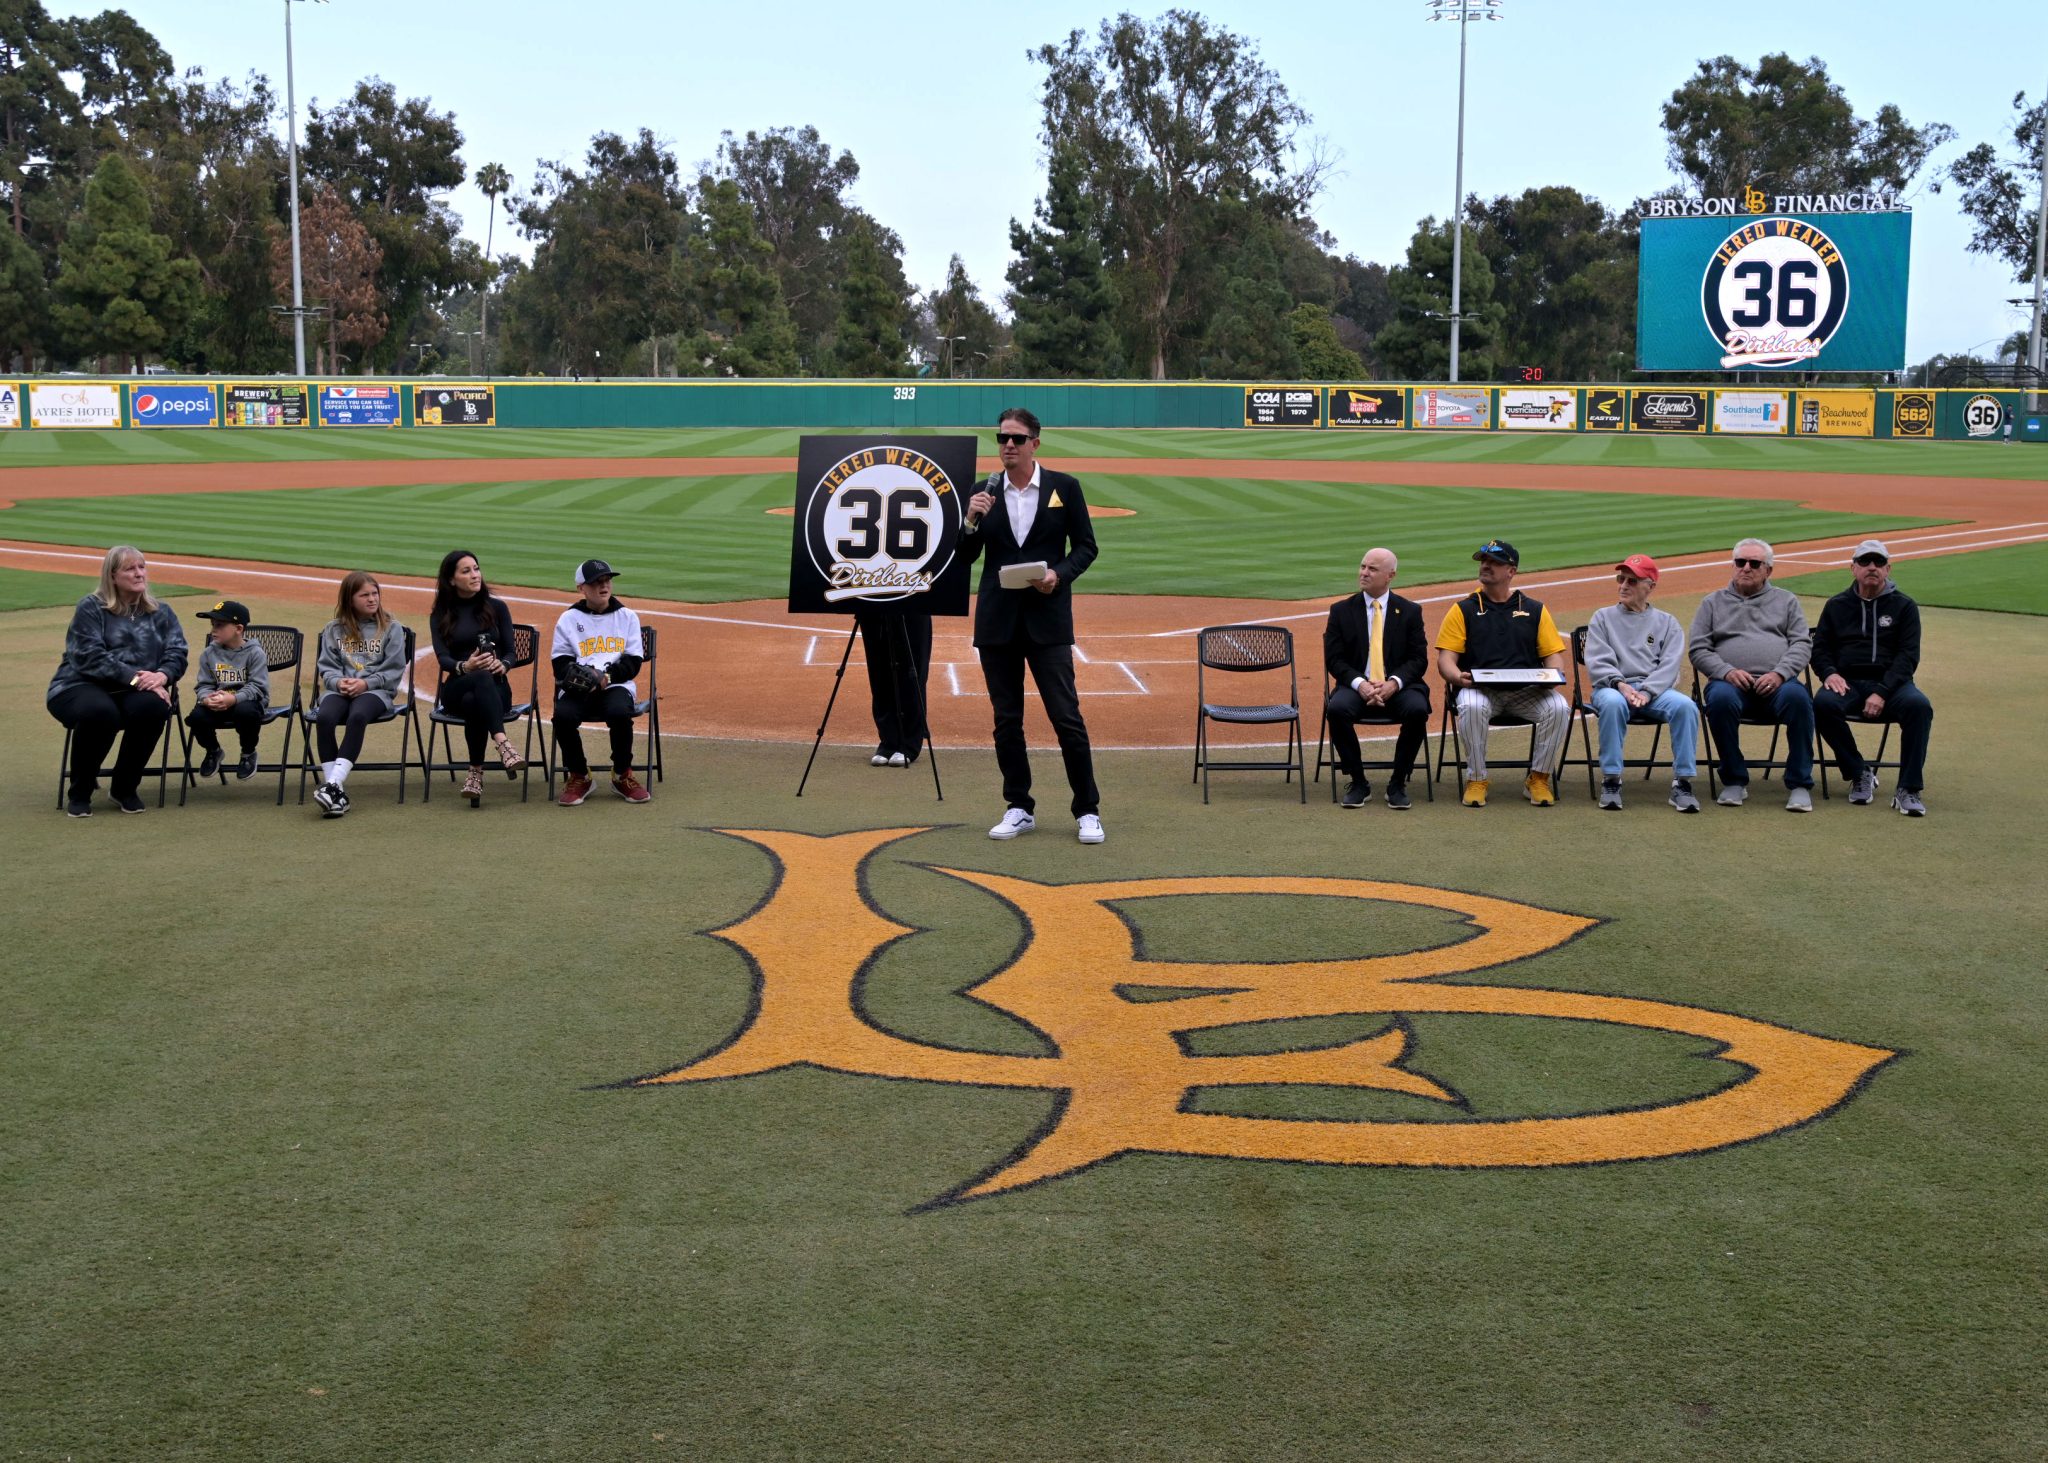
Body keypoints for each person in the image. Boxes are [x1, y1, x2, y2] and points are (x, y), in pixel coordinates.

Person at [960, 407, 1103, 843]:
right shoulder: (982, 492)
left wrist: (1059, 574)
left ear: (1034, 444)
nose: (1008, 445)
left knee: (1066, 717)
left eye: (1017, 439)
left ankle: (1087, 810)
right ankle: (1018, 806)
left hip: (1047, 619)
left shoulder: (1064, 487)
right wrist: (969, 521)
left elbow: (1086, 547)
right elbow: (965, 557)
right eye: (1002, 438)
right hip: (998, 621)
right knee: (1007, 721)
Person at [47, 545, 188, 817]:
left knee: (154, 707)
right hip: (79, 684)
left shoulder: (162, 612)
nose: (139, 574)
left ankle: (124, 788)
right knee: (101, 712)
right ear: (112, 576)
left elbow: (177, 652)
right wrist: (137, 679)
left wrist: (162, 675)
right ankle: (80, 791)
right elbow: (90, 657)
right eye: (130, 569)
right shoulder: (92, 607)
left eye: (141, 567)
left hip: (133, 689)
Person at [1433, 539, 1570, 808]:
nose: (1486, 565)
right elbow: (1446, 659)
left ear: (1511, 571)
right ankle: (1477, 779)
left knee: (1559, 708)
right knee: (1471, 707)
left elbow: (1553, 655)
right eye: (1483, 560)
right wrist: (1456, 677)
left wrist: (1553, 675)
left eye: (1494, 562)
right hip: (1479, 690)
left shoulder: (1535, 609)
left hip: (1526, 693)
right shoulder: (1463, 609)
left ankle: (1538, 778)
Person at [1688, 538, 1816, 811]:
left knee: (1799, 699)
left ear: (1768, 570)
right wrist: (1726, 672)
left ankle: (1799, 783)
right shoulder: (1712, 603)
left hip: (1779, 684)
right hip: (1729, 684)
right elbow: (1698, 649)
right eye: (1740, 562)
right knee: (1720, 701)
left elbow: (1802, 644)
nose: (1746, 568)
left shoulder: (1786, 600)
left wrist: (1780, 674)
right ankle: (1734, 779)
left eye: (1754, 563)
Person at [1812, 539, 1932, 816]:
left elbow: (1908, 656)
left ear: (1888, 569)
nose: (1872, 567)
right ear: (1853, 568)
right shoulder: (1836, 605)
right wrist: (1830, 673)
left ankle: (1908, 788)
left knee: (1919, 707)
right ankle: (1858, 772)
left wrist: (1882, 691)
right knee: (1822, 704)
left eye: (1879, 562)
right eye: (1865, 561)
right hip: (1848, 682)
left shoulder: (1904, 606)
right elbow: (1820, 649)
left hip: (1892, 685)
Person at [1583, 555, 1702, 813]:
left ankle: (1682, 783)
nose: (1624, 585)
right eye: (1621, 579)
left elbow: (1670, 665)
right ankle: (1611, 780)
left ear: (1650, 586)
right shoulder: (1602, 617)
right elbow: (1598, 660)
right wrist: (1621, 685)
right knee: (1613, 704)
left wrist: (1648, 691)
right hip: (1612, 688)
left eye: (1632, 581)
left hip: (1655, 691)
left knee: (1686, 707)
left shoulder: (1667, 622)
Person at [1322, 546, 1430, 810]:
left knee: (1418, 709)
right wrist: (1361, 684)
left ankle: (1398, 782)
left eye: (1372, 569)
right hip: (1356, 685)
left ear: (1390, 575)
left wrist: (1393, 683)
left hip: (1398, 687)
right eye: (1362, 566)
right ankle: (1358, 782)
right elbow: (1334, 659)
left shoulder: (1410, 611)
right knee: (1336, 709)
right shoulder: (1341, 610)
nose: (1364, 573)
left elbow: (1418, 659)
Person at [428, 548, 526, 807]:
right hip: (456, 688)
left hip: (495, 689)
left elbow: (511, 652)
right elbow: (443, 659)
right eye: (466, 571)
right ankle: (503, 744)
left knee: (475, 699)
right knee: (478, 677)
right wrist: (465, 666)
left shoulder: (497, 607)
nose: (475, 575)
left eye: (476, 568)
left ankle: (475, 774)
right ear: (451, 579)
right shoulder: (441, 613)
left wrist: (503, 665)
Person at [550, 558, 651, 806]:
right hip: (579, 688)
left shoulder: (627, 617)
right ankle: (579, 775)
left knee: (619, 712)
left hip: (616, 685)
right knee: (562, 716)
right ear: (581, 588)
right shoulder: (568, 619)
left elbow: (633, 661)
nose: (604, 585)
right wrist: (581, 678)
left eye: (607, 580)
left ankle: (622, 774)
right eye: (596, 582)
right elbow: (560, 663)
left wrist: (607, 677)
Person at [310, 571, 408, 818]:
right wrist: (338, 682)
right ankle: (337, 793)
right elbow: (327, 667)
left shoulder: (392, 628)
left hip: (377, 691)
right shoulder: (334, 629)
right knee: (324, 717)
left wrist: (366, 684)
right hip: (340, 689)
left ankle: (332, 785)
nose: (372, 599)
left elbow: (394, 670)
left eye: (375, 593)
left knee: (357, 716)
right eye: (365, 595)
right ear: (349, 599)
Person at [186, 599, 270, 782]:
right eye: (212, 625)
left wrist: (234, 699)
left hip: (247, 702)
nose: (213, 630)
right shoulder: (209, 653)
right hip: (218, 703)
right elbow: (204, 685)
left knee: (245, 712)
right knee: (196, 717)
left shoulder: (255, 653)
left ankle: (248, 753)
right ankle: (213, 750)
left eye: (220, 625)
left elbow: (257, 686)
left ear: (238, 629)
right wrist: (206, 698)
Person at [856, 606, 932, 767]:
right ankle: (888, 741)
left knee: (912, 671)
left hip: (913, 602)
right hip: (873, 604)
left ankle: (909, 743)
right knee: (879, 673)